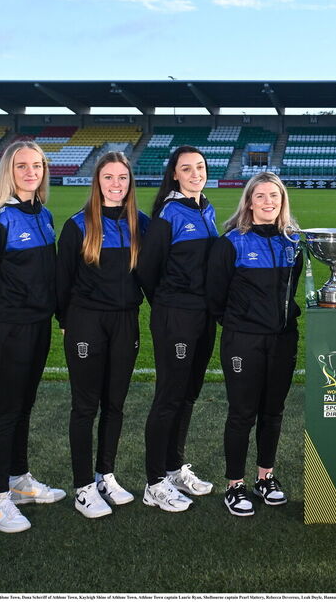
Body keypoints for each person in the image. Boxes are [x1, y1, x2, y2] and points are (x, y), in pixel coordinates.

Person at [0, 140, 67, 533]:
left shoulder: (43, 215)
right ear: (8, 172)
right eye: (22, 166)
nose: (31, 172)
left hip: (39, 325)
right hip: (10, 328)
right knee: (7, 410)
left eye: (37, 166)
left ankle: (18, 480)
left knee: (25, 404)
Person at [56, 151, 149, 519]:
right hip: (86, 322)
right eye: (108, 177)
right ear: (97, 181)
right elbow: (61, 280)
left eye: (122, 178)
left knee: (115, 404)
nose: (116, 184)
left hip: (126, 321)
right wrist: (67, 321)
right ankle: (82, 487)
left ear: (130, 182)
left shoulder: (142, 223)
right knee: (85, 406)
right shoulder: (78, 225)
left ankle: (104, 474)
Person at [206, 172, 303, 517]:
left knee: (273, 412)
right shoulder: (232, 242)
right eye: (260, 196)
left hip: (283, 340)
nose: (268, 202)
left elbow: (291, 292)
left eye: (274, 196)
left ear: (282, 201)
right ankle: (234, 484)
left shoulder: (293, 243)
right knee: (242, 413)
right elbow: (215, 296)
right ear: (248, 202)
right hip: (243, 342)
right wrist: (243, 324)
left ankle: (266, 477)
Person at [137, 146, 218, 513]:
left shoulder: (207, 209)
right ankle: (154, 482)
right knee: (169, 397)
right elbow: (147, 270)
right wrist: (170, 306)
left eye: (199, 167)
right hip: (177, 318)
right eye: (187, 169)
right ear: (175, 175)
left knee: (188, 394)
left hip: (203, 317)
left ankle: (173, 467)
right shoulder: (169, 213)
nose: (195, 173)